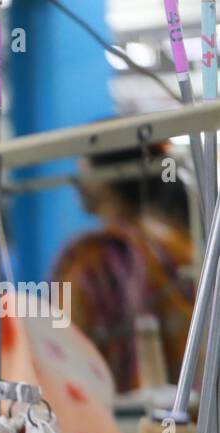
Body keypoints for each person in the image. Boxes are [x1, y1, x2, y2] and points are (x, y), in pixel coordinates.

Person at [52, 142, 194, 393]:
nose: (77, 172)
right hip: (192, 416)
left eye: (84, 161)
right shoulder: (181, 248)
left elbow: (63, 349)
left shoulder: (91, 259)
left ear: (104, 177)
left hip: (116, 418)